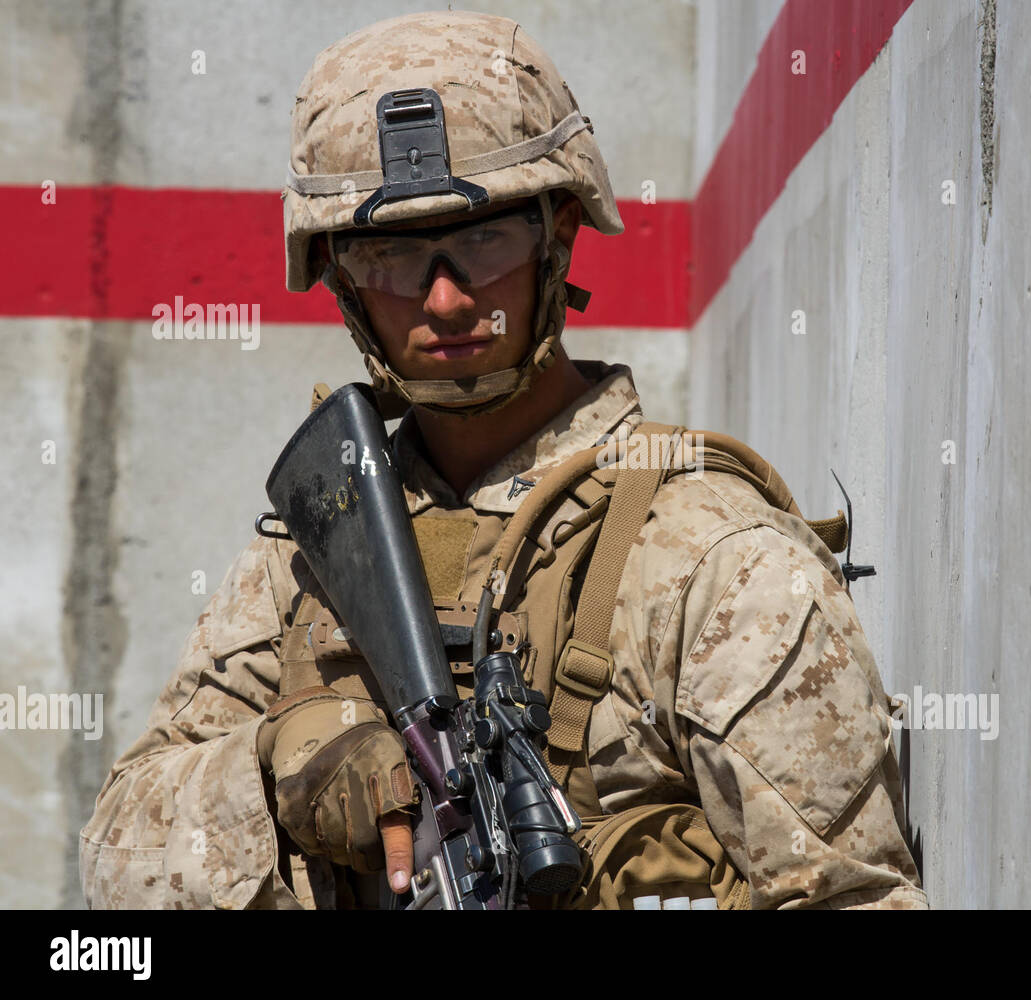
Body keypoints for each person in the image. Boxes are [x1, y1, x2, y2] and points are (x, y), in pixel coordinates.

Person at [79, 10, 927, 910]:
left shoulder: (715, 561)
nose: (444, 298)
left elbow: (851, 899)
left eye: (483, 241)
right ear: (340, 275)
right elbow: (117, 855)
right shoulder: (313, 559)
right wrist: (279, 763)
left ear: (558, 238)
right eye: (394, 256)